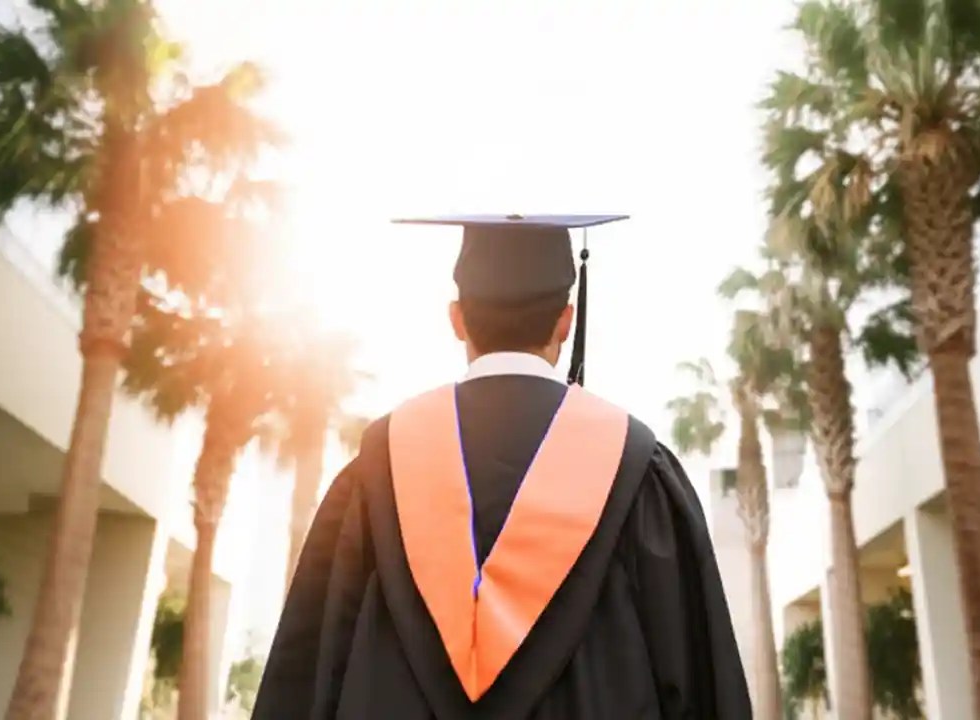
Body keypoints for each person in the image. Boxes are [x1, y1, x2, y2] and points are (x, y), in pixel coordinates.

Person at [253, 215, 752, 719]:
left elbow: (307, 681)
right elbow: (696, 684)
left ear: (456, 319)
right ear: (566, 320)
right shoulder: (638, 470)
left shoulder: (378, 472)